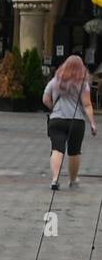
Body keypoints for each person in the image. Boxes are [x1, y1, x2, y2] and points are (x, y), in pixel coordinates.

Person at [43, 54, 97, 189]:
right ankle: (73, 180)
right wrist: (92, 123)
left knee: (57, 149)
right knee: (74, 151)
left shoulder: (55, 81)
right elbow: (87, 105)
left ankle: (55, 179)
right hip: (76, 122)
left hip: (57, 120)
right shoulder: (83, 84)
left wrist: (53, 108)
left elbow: (45, 99)